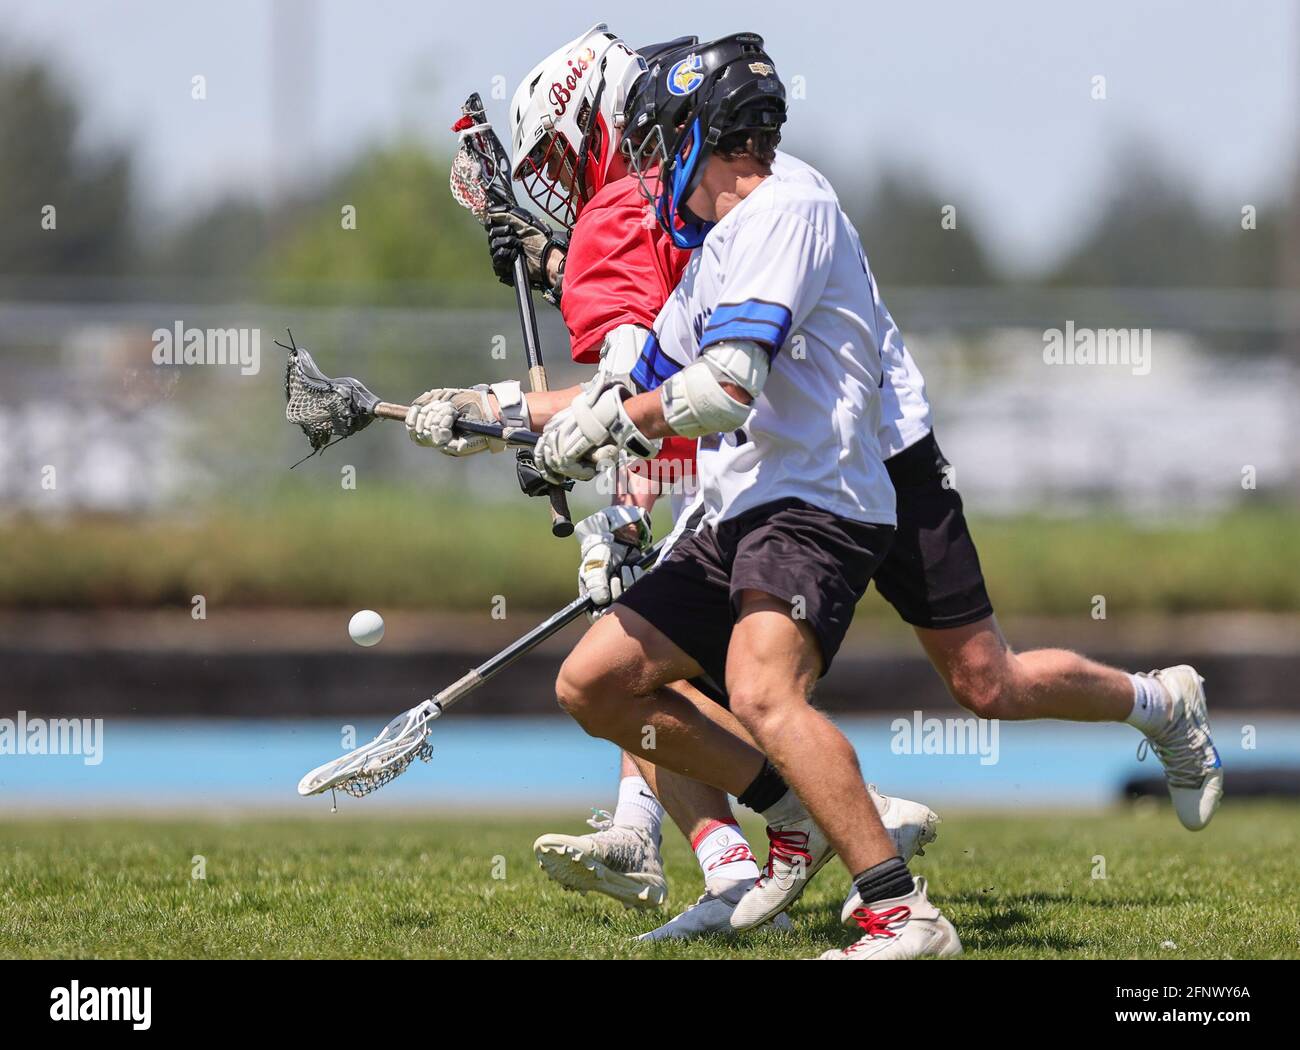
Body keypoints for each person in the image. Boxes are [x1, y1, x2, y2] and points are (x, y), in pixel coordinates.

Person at [407, 24, 936, 941]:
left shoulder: (785, 208)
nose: (647, 169)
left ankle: (898, 911)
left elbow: (726, 384)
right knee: (597, 683)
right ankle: (794, 812)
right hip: (744, 506)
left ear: (707, 130)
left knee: (761, 690)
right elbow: (636, 381)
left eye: (659, 144)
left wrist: (607, 430)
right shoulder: (720, 240)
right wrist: (486, 413)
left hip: (813, 498)